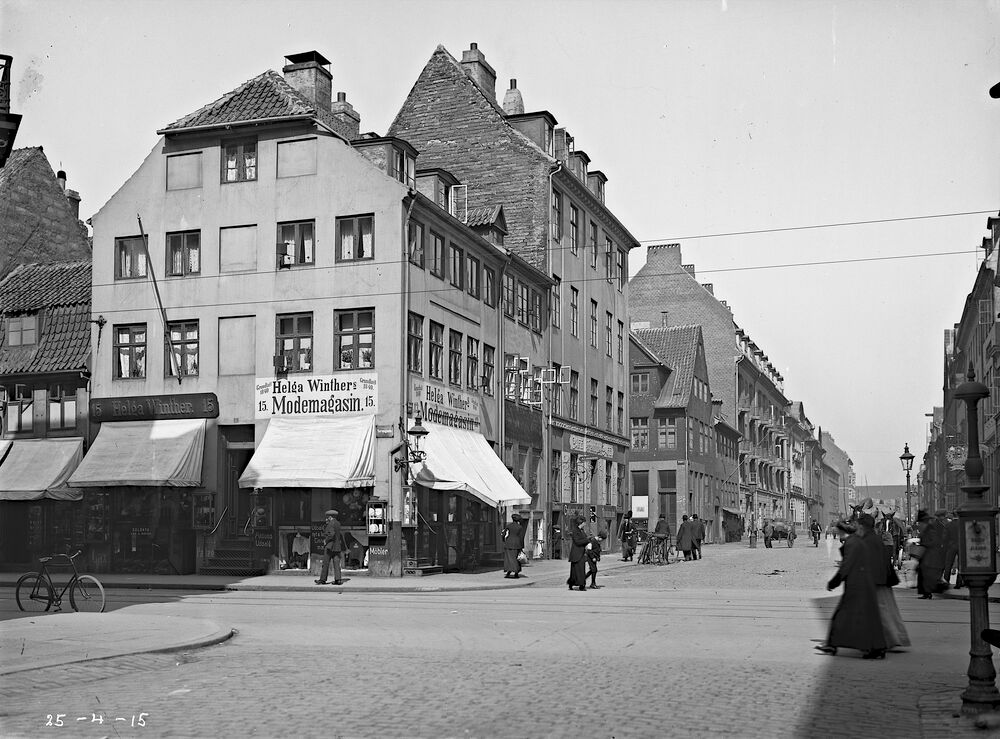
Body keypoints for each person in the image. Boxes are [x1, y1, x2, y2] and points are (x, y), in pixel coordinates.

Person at [816, 514, 888, 659]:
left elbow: (846, 566)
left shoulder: (852, 542)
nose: (835, 533)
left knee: (843, 616)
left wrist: (834, 582)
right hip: (864, 583)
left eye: (837, 531)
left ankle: (833, 644)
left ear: (842, 532)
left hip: (857, 584)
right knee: (867, 617)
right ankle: (876, 647)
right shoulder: (857, 541)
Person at [916, 509, 948, 599]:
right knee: (925, 574)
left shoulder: (930, 529)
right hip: (927, 554)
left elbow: (935, 541)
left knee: (928, 574)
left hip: (930, 554)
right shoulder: (928, 528)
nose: (919, 525)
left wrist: (924, 544)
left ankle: (929, 592)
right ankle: (927, 592)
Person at [315, 510, 346, 585]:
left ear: (330, 517)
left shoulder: (331, 524)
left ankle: (322, 579)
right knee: (336, 563)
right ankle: (338, 580)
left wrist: (326, 540)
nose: (327, 518)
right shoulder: (338, 523)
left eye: (327, 517)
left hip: (330, 546)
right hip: (337, 547)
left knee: (325, 563)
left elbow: (331, 534)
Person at [566, 515, 591, 591]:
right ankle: (581, 585)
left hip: (581, 553)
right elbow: (577, 542)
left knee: (579, 570)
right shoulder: (575, 531)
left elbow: (584, 539)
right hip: (576, 553)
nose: (585, 524)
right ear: (581, 523)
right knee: (578, 571)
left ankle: (574, 583)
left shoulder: (582, 531)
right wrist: (587, 540)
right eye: (584, 522)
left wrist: (588, 540)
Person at [502, 513, 525, 579]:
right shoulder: (519, 527)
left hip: (508, 543)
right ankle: (516, 573)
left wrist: (504, 540)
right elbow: (521, 537)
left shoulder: (508, 526)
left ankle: (508, 572)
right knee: (516, 558)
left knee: (508, 559)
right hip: (517, 544)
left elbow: (503, 534)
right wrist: (522, 546)